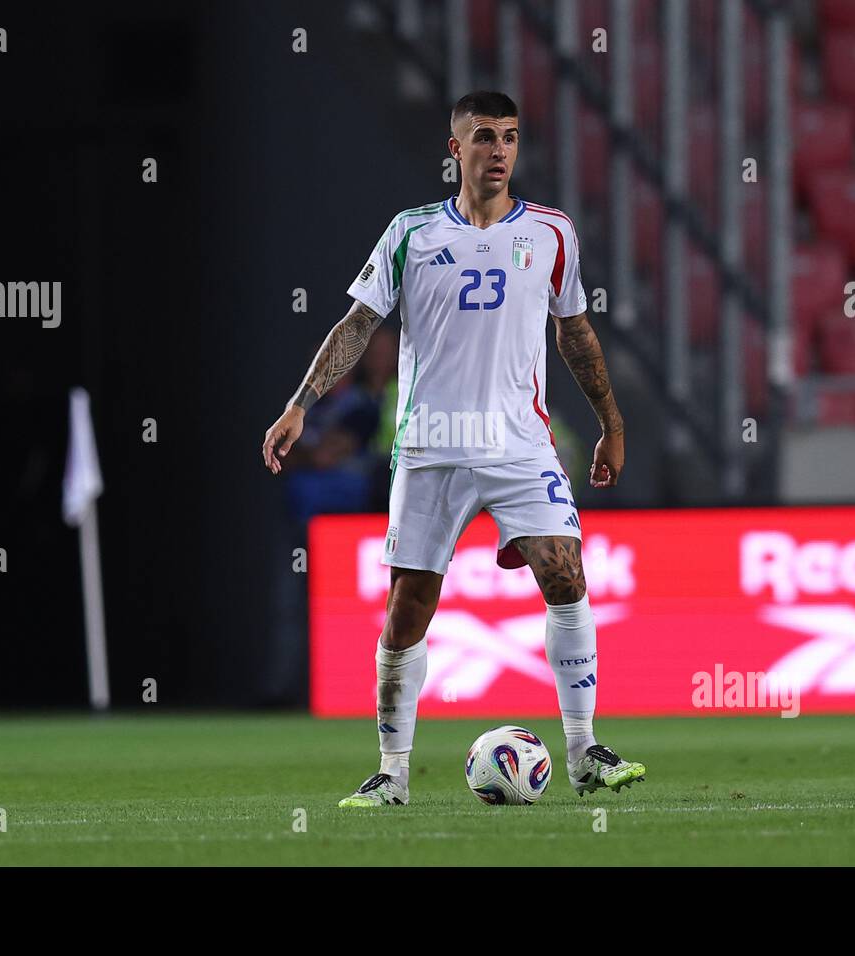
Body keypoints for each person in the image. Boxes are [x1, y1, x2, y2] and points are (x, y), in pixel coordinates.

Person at [262, 91, 646, 806]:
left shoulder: (552, 233)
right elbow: (357, 324)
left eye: (509, 137)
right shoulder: (410, 233)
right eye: (483, 138)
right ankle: (393, 774)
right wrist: (299, 405)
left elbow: (575, 333)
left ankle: (586, 750)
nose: (499, 150)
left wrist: (611, 422)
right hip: (431, 448)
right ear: (455, 150)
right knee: (409, 606)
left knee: (565, 575)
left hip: (520, 444)